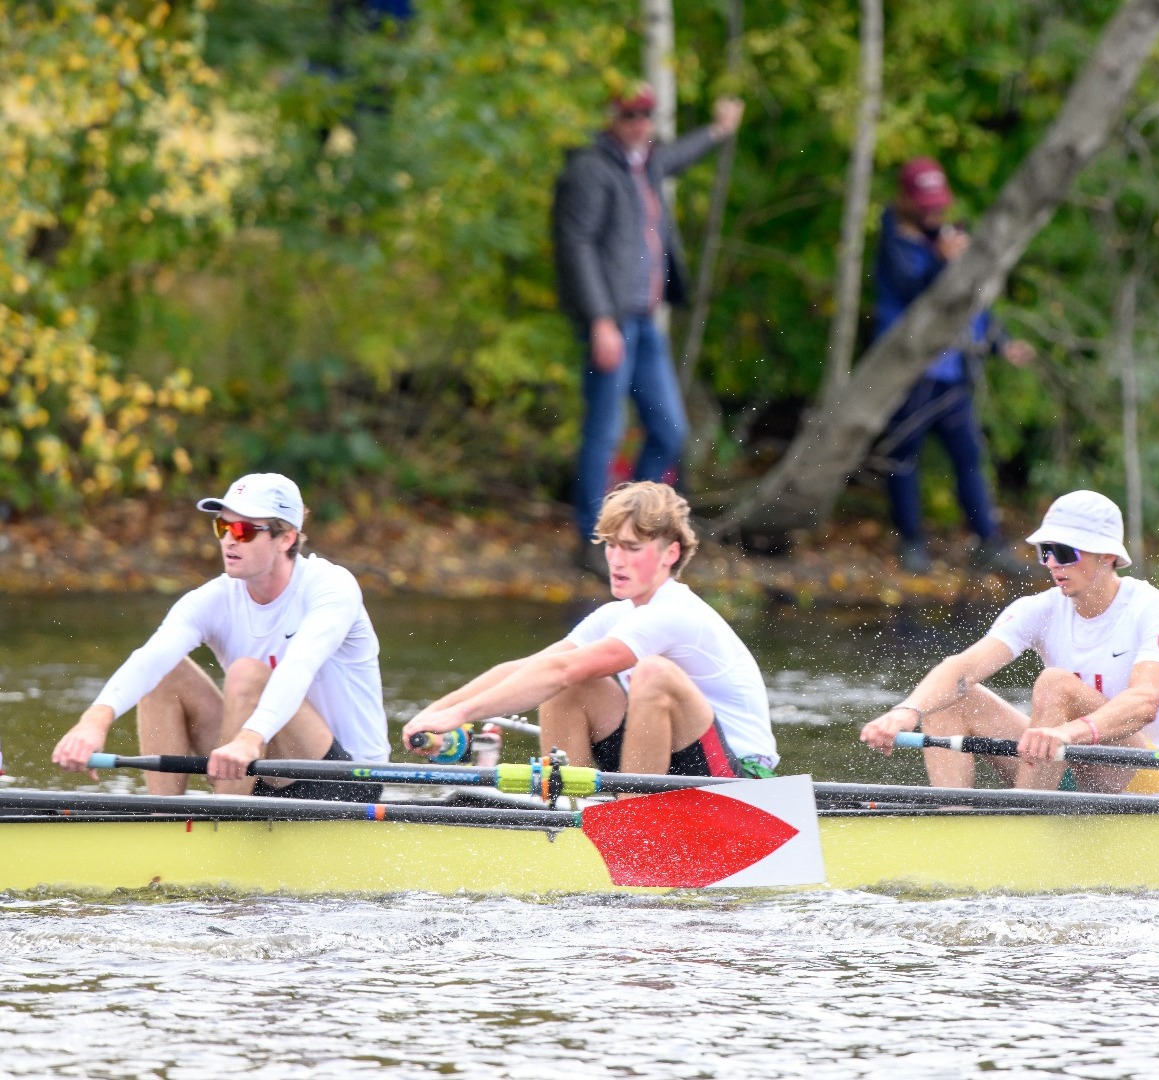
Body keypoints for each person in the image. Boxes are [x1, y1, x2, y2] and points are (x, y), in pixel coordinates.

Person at [404, 481, 776, 779]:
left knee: (649, 673)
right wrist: (437, 713)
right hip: (671, 764)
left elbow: (561, 670)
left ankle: (633, 825)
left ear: (670, 554)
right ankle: (569, 809)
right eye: (611, 546)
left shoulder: (674, 612)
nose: (615, 560)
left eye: (631, 548)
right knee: (565, 678)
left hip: (738, 778)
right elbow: (527, 669)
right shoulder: (616, 616)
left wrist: (458, 713)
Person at [50, 474, 387, 800]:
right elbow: (150, 658)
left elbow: (298, 668)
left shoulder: (331, 588)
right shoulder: (214, 599)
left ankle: (222, 821)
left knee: (247, 674)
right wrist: (94, 721)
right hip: (253, 766)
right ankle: (164, 824)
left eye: (243, 530)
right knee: (167, 671)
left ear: (285, 538)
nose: (228, 540)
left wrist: (250, 738)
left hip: (346, 782)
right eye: (223, 527)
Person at [859, 490, 1159, 795]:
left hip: (1156, 779)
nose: (1051, 563)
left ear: (1107, 556)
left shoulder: (1157, 610)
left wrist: (1068, 735)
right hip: (1069, 764)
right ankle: (954, 821)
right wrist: (906, 712)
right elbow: (963, 669)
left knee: (1055, 684)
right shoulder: (1040, 609)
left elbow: (1144, 702)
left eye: (1064, 552)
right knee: (951, 696)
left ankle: (1027, 818)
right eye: (1045, 551)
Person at [552, 83, 744, 576]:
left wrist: (720, 131)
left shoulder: (647, 163)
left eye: (647, 114)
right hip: (612, 321)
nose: (640, 122)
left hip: (646, 322)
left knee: (669, 430)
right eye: (631, 114)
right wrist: (599, 321)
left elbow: (678, 155)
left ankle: (631, 531)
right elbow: (575, 247)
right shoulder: (590, 170)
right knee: (606, 431)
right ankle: (591, 541)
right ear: (613, 117)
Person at [872, 157, 1036, 577]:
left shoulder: (948, 236)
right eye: (924, 204)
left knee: (968, 455)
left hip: (951, 374)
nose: (933, 213)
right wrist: (942, 261)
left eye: (937, 204)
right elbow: (915, 292)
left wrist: (1001, 343)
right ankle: (911, 543)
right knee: (904, 458)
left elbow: (971, 301)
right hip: (908, 371)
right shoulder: (894, 237)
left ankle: (988, 541)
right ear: (905, 198)